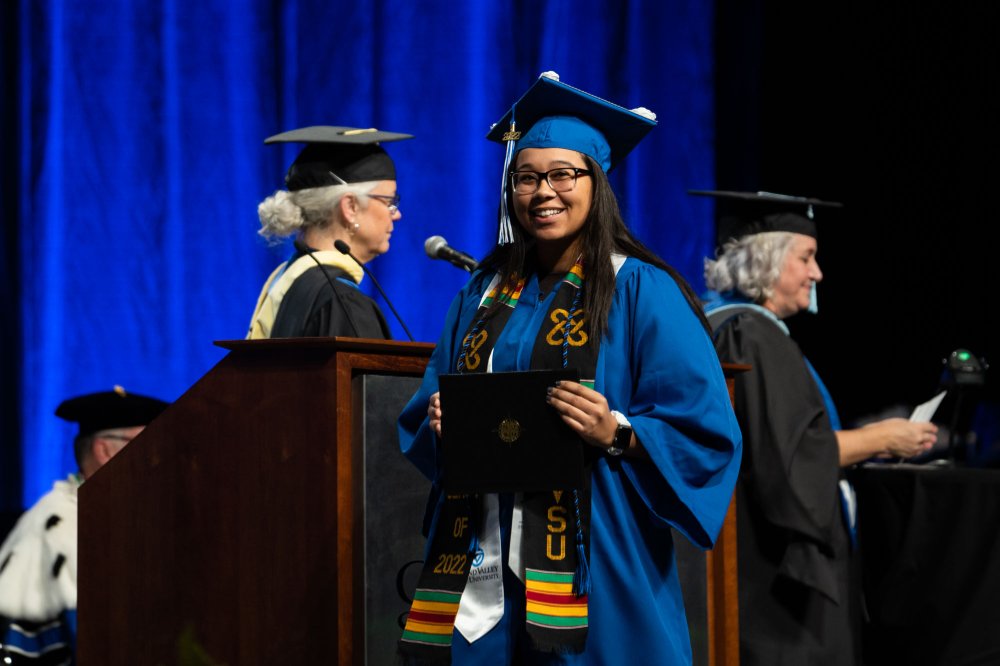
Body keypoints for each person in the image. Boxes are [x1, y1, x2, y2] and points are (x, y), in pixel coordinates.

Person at [396, 72, 742, 665]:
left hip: (592, 544)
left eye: (563, 175)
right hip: (480, 549)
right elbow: (427, 406)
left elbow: (705, 429)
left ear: (596, 183)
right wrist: (441, 421)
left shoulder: (640, 289)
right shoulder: (483, 292)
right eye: (526, 177)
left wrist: (620, 432)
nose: (543, 192)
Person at [696, 190, 939, 665]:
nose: (817, 273)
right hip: (775, 579)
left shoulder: (720, 324)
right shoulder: (753, 335)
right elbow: (790, 458)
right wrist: (883, 438)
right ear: (767, 260)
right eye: (806, 257)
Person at [0, 387, 168, 664]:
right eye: (147, 444)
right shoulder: (60, 526)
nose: (157, 458)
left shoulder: (131, 517)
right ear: (105, 450)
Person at [246, 125, 412, 339]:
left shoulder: (284, 279)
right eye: (389, 201)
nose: (397, 214)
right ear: (350, 207)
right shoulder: (342, 303)